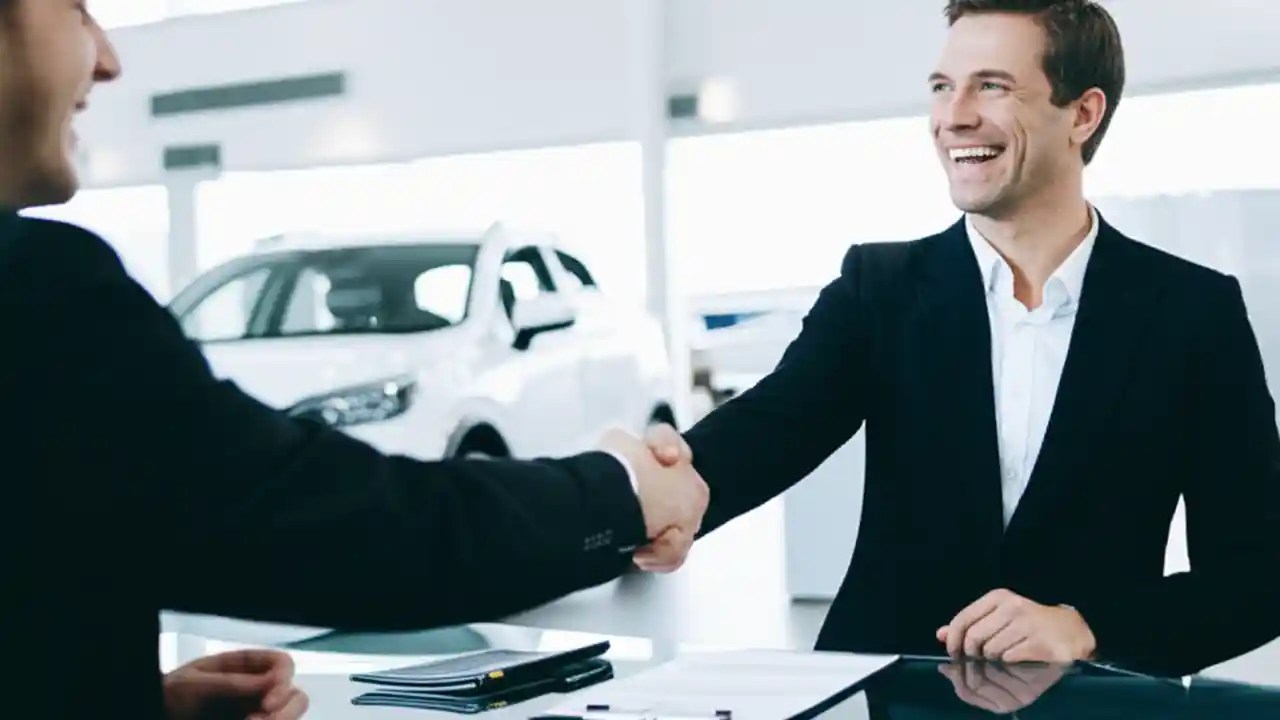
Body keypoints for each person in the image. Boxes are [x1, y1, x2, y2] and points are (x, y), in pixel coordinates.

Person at [0, 2, 707, 718]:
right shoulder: (37, 286)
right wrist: (620, 495)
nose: (108, 57)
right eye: (75, 8)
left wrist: (120, 694)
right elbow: (349, 526)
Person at [634, 0, 1280, 676]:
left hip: (1087, 703)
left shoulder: (1192, 312)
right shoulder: (877, 289)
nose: (954, 116)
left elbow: (1259, 574)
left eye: (991, 86)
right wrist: (665, 497)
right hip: (885, 697)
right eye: (942, 87)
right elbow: (769, 429)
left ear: (1083, 114)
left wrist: (1089, 628)